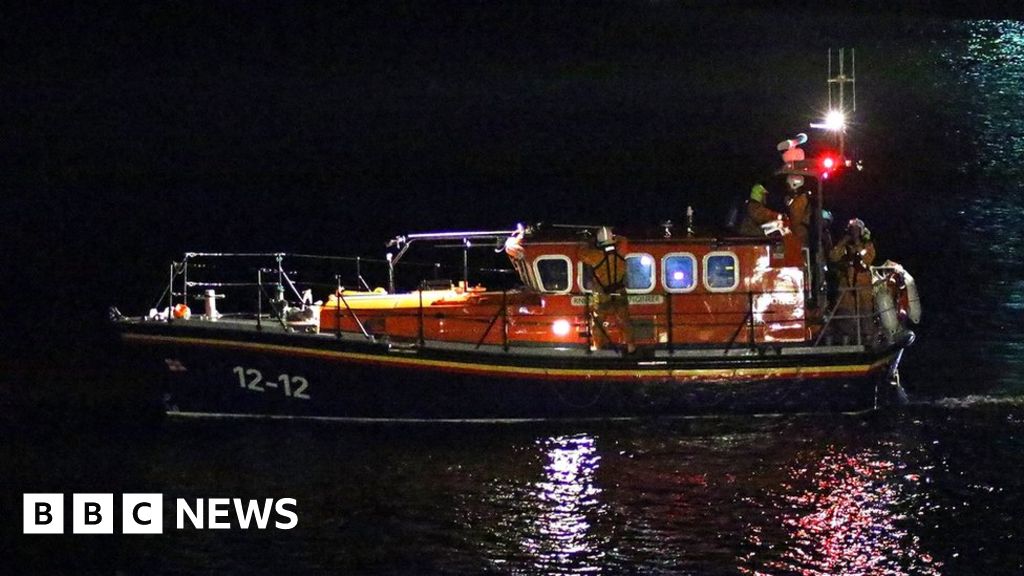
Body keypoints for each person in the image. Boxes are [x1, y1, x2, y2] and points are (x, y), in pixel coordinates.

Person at [578, 227, 636, 354]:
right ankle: (631, 346)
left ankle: (598, 347)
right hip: (620, 292)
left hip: (602, 294)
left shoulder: (596, 256)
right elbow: (624, 239)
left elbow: (581, 254)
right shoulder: (621, 250)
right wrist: (614, 237)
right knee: (625, 320)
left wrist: (588, 241)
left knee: (598, 322)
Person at [828, 218, 877, 343]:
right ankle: (849, 338)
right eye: (852, 229)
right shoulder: (844, 246)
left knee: (866, 311)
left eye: (856, 229)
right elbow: (833, 257)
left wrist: (858, 245)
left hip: (863, 283)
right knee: (846, 311)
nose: (854, 232)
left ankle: (868, 337)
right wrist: (843, 242)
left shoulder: (867, 245)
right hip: (846, 284)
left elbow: (868, 260)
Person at [784, 175, 811, 244]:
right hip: (798, 232)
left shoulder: (800, 201)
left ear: (794, 185)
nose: (787, 189)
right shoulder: (797, 199)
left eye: (788, 186)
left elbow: (795, 221)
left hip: (800, 233)